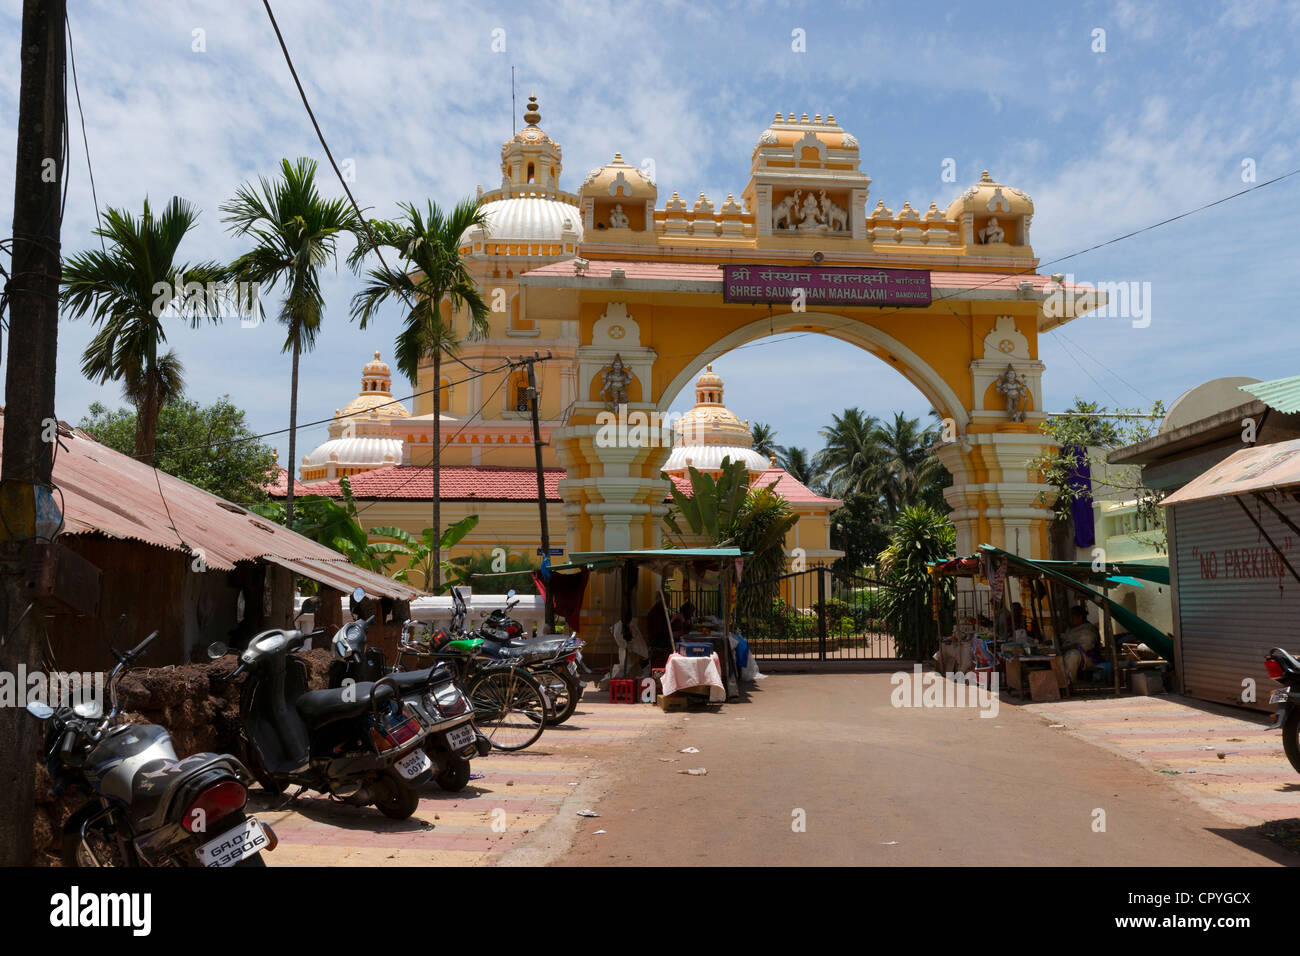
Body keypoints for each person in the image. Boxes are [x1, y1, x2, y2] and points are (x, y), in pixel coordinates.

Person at [1062, 605, 1102, 682]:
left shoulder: (1088, 630)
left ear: (1080, 618)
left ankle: (1070, 682)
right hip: (1067, 653)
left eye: (1072, 617)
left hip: (1088, 657)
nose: (1069, 620)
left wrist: (1065, 648)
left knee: (1072, 655)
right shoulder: (1071, 629)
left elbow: (1083, 646)